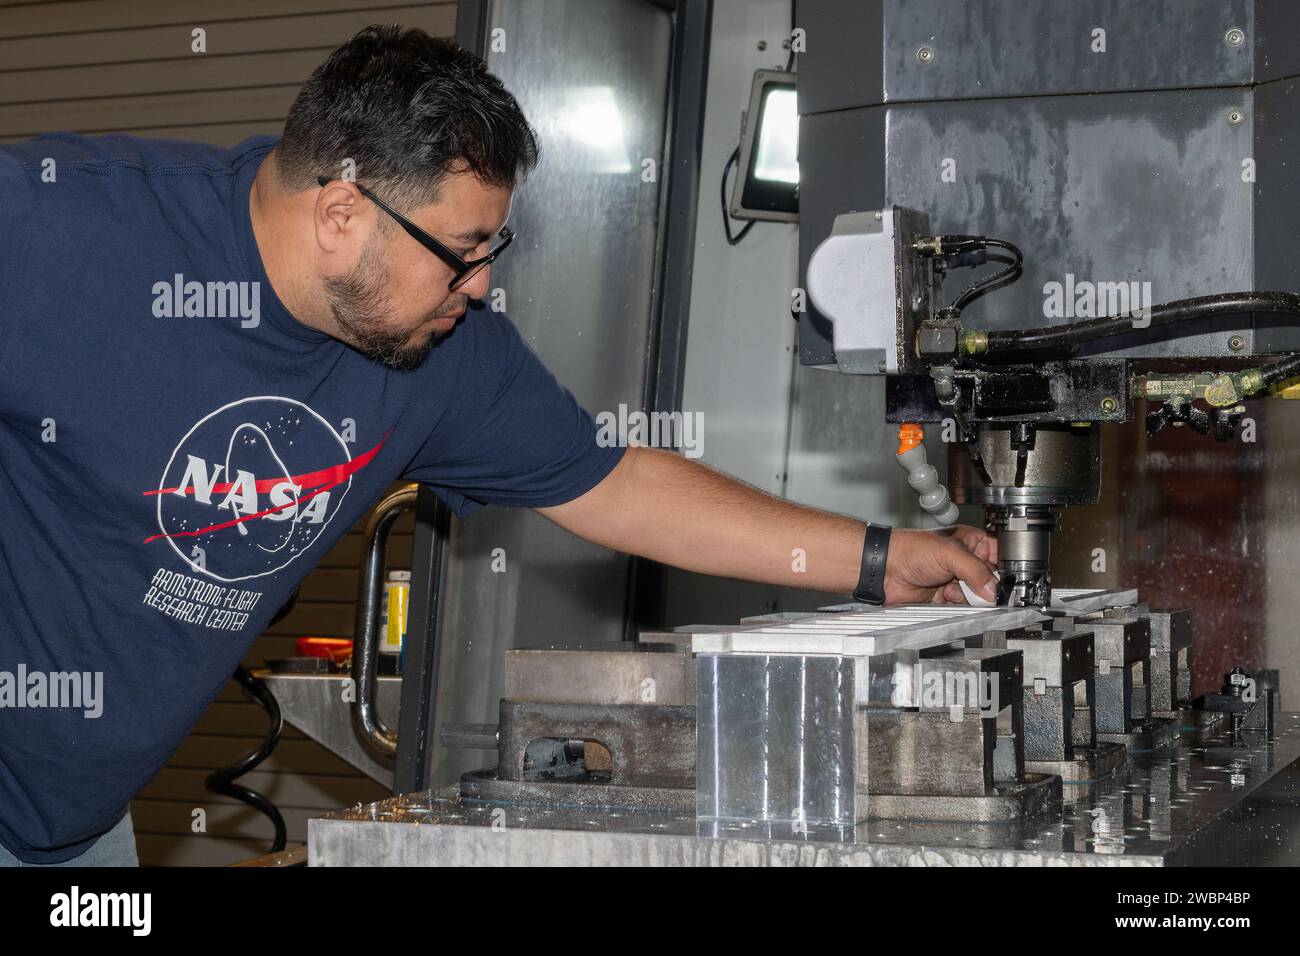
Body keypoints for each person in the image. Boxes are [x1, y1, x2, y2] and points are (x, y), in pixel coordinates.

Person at [0, 25, 997, 866]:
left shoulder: (440, 352)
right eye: (462, 250)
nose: (479, 284)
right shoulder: (64, 233)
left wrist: (880, 559)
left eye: (492, 248)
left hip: (77, 830)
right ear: (342, 213)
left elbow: (609, 483)